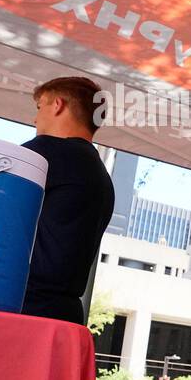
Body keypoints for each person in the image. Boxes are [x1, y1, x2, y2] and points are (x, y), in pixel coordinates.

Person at [21, 77, 115, 325]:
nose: (35, 119)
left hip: (24, 308)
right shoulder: (102, 177)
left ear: (58, 105)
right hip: (66, 316)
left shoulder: (43, 155)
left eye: (40, 107)